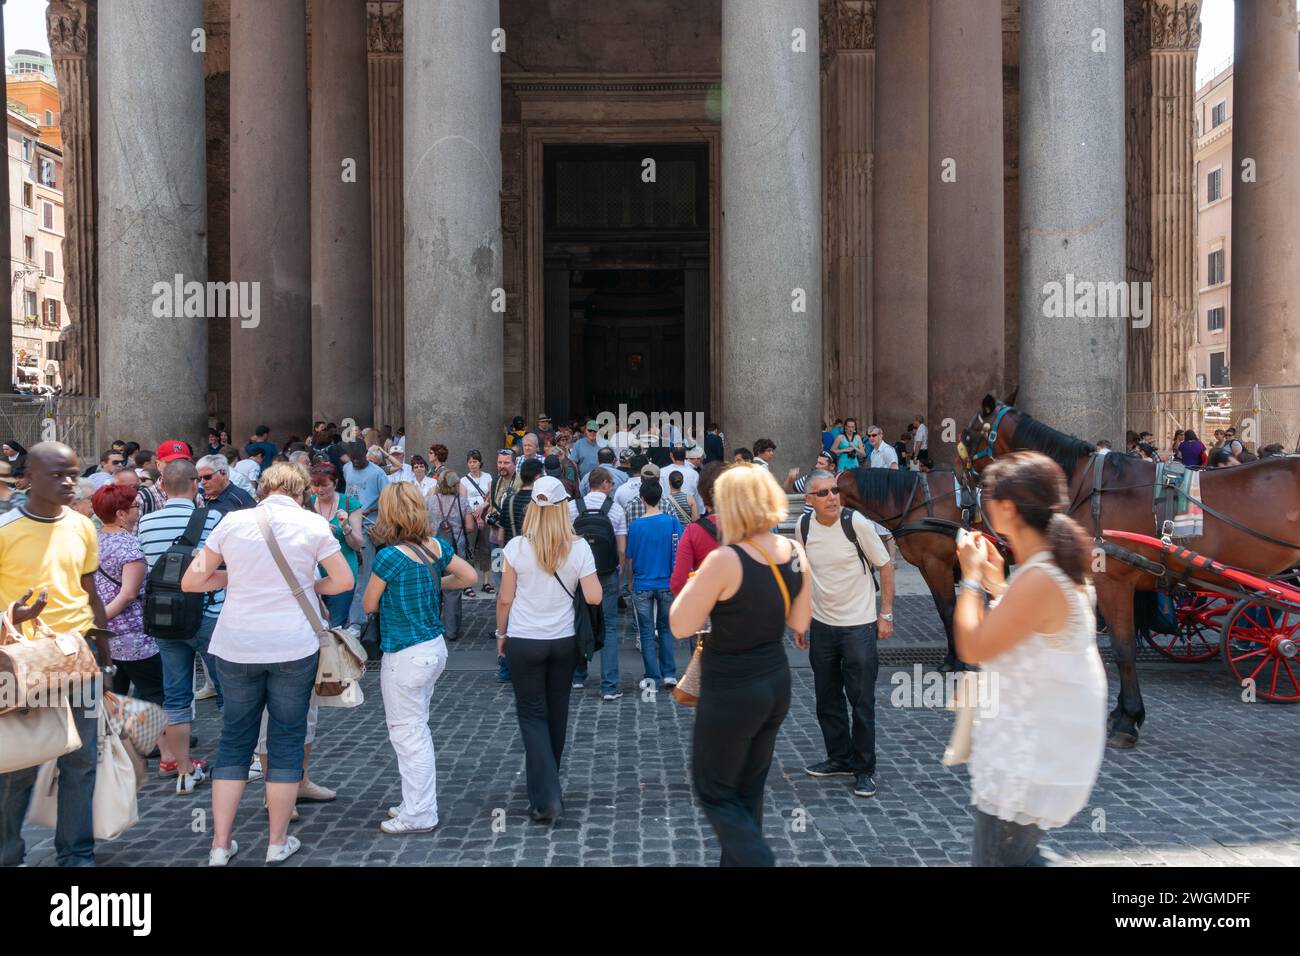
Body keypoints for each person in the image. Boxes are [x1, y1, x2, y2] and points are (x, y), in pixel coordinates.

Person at [183, 463, 354, 865]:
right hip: (293, 644)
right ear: (299, 492)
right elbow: (344, 581)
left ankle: (220, 845)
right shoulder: (313, 525)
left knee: (234, 741)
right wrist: (310, 587)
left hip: (237, 643)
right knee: (288, 738)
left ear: (262, 490)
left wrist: (230, 579)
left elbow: (192, 581)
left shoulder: (233, 521)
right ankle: (277, 841)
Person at [953, 451, 1106, 866]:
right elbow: (1034, 629)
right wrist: (998, 584)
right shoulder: (1049, 568)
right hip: (1037, 744)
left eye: (988, 498)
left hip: (1029, 754)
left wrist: (968, 578)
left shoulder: (1040, 575)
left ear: (1006, 508)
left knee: (1000, 861)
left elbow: (974, 646)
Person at [669, 463, 812, 866]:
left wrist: (703, 586)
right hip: (775, 680)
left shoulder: (725, 559)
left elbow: (680, 624)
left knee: (715, 790)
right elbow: (800, 623)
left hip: (732, 686)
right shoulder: (795, 551)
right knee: (749, 792)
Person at [0, 442, 111, 866]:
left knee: (81, 762)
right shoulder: (5, 532)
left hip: (78, 659)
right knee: (16, 766)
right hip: (19, 664)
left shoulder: (82, 526)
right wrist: (14, 614)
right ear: (28, 477)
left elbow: (90, 592)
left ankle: (77, 855)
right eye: (57, 475)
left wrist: (105, 656)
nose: (69, 482)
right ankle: (9, 854)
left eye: (73, 474)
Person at [364, 483, 476, 834]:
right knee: (417, 729)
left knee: (408, 735)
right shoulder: (435, 547)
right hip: (433, 647)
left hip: (404, 653)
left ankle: (420, 811)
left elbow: (368, 605)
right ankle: (415, 801)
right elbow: (469, 576)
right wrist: (436, 583)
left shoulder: (388, 557)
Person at [495, 476, 602, 823]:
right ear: (562, 509)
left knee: (531, 716)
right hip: (563, 641)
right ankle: (546, 789)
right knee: (557, 714)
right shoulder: (580, 547)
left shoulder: (516, 548)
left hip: (524, 639)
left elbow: (505, 599)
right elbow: (595, 597)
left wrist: (501, 634)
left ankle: (546, 794)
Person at [792, 470, 894, 799]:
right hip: (822, 627)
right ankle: (839, 758)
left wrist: (886, 614)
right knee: (827, 699)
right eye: (822, 493)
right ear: (809, 500)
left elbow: (885, 565)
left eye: (834, 490)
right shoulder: (803, 527)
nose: (832, 497)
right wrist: (801, 619)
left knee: (862, 702)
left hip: (859, 627)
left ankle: (864, 770)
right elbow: (805, 575)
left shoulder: (856, 523)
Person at [137, 459, 226, 793]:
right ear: (195, 483)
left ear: (162, 485)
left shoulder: (145, 523)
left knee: (175, 696)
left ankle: (184, 770)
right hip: (207, 614)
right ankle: (240, 761)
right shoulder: (212, 519)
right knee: (228, 691)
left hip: (164, 618)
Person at [93, 485, 167, 716]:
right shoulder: (129, 545)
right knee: (154, 691)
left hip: (105, 636)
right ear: (121, 514)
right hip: (133, 635)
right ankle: (152, 741)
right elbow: (128, 594)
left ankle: (119, 746)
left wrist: (97, 621)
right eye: (135, 506)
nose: (139, 510)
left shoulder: (94, 540)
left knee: (115, 696)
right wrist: (101, 619)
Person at [567, 466, 627, 698]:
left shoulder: (572, 508)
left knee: (579, 620)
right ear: (605, 484)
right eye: (610, 484)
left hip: (578, 573)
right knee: (609, 626)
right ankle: (609, 685)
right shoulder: (616, 510)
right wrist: (618, 574)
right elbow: (621, 549)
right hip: (606, 572)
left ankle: (578, 675)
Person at [627, 480, 684, 690]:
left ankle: (651, 675)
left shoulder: (635, 526)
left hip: (642, 582)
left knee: (646, 631)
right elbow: (680, 550)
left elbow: (630, 556)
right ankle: (669, 673)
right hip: (666, 582)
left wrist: (631, 581)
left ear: (642, 499)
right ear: (660, 497)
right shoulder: (671, 522)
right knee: (666, 629)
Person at [308, 463, 365, 628]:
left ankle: (335, 653)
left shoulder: (349, 504)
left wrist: (345, 527)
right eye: (315, 485)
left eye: (324, 485)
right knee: (314, 624)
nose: (319, 490)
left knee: (335, 625)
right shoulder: (307, 503)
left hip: (342, 569)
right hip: (314, 572)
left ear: (335, 482)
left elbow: (357, 544)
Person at [428, 470, 469, 638]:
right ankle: (451, 631)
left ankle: (432, 627)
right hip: (455, 550)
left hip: (432, 549)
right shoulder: (462, 502)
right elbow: (470, 527)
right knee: (452, 590)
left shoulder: (430, 501)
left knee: (433, 587)